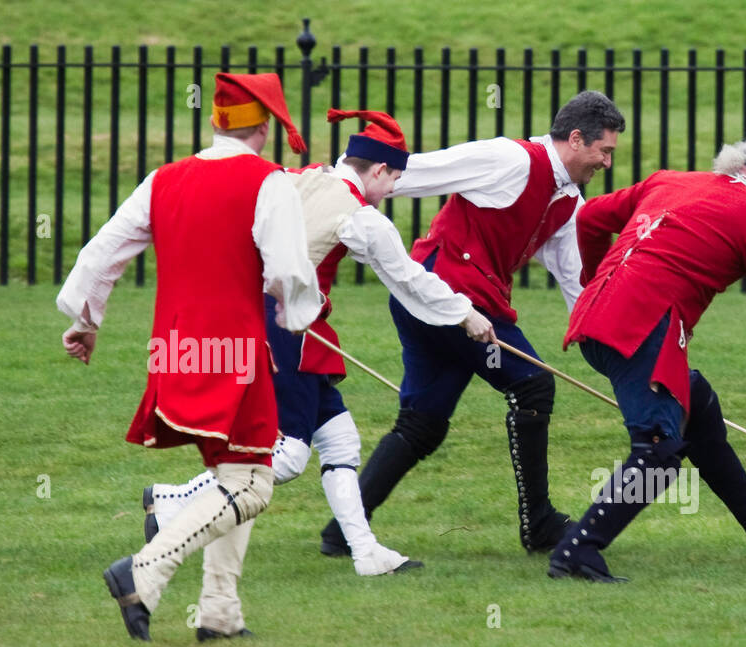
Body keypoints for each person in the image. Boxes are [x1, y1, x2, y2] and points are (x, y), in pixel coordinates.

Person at [142, 108, 497, 583]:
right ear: (377, 170)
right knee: (287, 455)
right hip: (286, 329)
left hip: (271, 318)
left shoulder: (296, 177)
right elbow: (408, 280)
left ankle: (366, 552)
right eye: (393, 179)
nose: (393, 190)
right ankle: (170, 502)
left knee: (340, 439)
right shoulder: (360, 218)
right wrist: (466, 315)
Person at [58, 72, 322, 640]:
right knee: (253, 485)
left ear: (215, 120)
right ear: (265, 126)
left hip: (175, 349)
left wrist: (86, 320)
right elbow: (288, 272)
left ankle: (220, 614)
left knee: (234, 472)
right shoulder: (268, 181)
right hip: (233, 349)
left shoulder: (165, 179)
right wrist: (296, 313)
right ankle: (144, 571)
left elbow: (102, 251)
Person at [317, 90, 625, 558]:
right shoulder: (509, 159)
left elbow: (576, 287)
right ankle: (539, 524)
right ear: (577, 139)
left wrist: (617, 355)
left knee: (422, 424)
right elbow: (411, 171)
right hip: (448, 301)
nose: (607, 161)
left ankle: (343, 531)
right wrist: (341, 184)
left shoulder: (569, 205)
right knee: (533, 385)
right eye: (604, 150)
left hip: (447, 305)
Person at [548, 134, 746, 582]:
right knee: (659, 450)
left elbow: (590, 219)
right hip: (641, 331)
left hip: (596, 322)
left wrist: (595, 280)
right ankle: (578, 551)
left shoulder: (668, 181)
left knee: (695, 405)